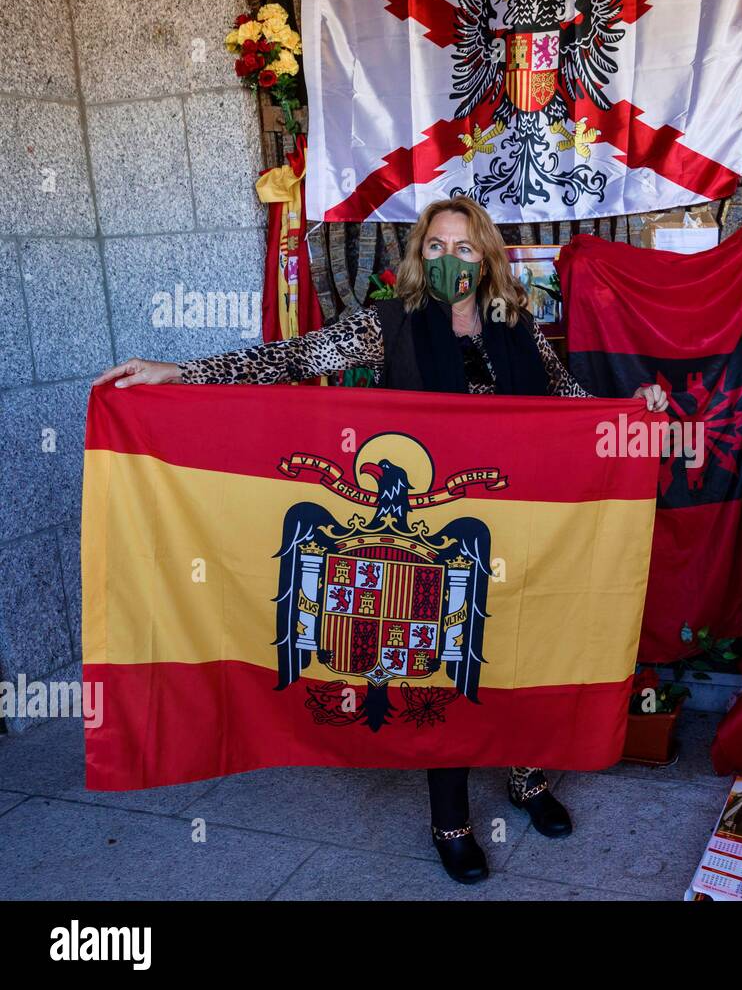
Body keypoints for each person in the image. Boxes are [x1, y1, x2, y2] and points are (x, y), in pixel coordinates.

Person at [94, 195, 670, 885]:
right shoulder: (389, 323)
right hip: (436, 540)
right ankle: (451, 821)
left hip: (522, 528)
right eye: (435, 247)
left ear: (485, 255)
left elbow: (569, 401)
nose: (449, 259)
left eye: (462, 247)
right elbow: (295, 357)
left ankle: (527, 781)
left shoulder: (514, 323)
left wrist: (633, 413)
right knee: (447, 663)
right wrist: (182, 375)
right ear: (418, 257)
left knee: (523, 643)